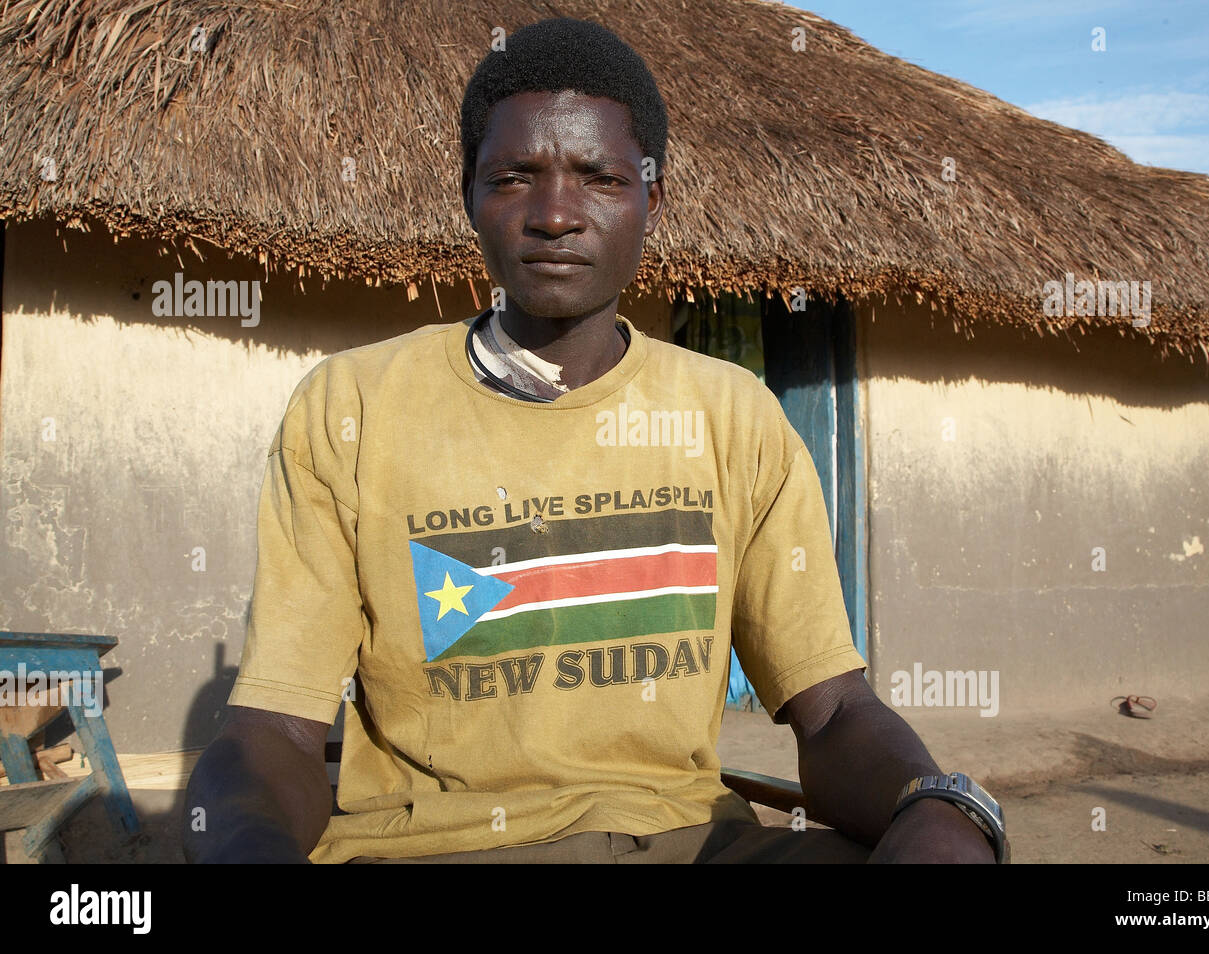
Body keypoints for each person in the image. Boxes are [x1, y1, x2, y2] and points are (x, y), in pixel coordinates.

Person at [183, 17, 1004, 864]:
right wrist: (244, 843)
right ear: (468, 193)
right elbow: (275, 729)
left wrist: (934, 805)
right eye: (514, 178)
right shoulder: (350, 409)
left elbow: (833, 713)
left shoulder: (734, 416)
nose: (556, 215)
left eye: (599, 177)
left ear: (652, 197)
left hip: (687, 841)